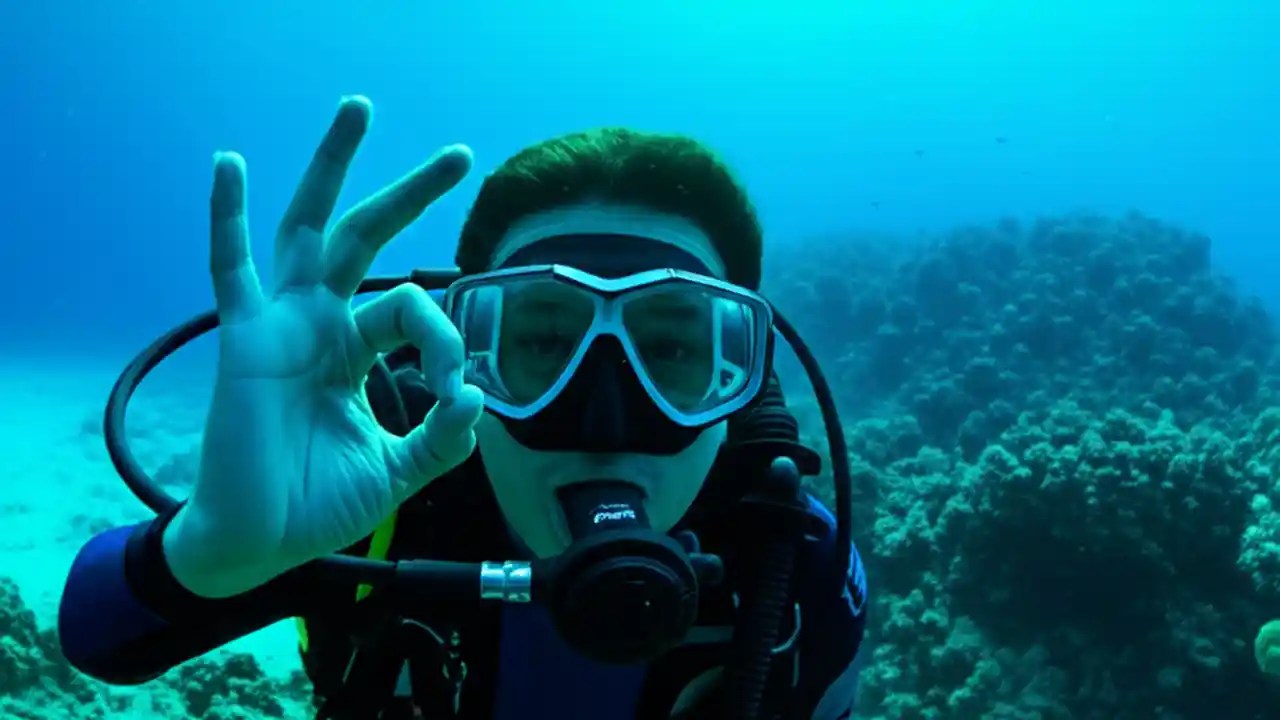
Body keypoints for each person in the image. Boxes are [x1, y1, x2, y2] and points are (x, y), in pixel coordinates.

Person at [57, 95, 868, 719]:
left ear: (741, 377)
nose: (604, 422)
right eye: (545, 344)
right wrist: (203, 553)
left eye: (674, 352)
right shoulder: (374, 495)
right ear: (466, 349)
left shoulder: (794, 566)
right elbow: (98, 639)